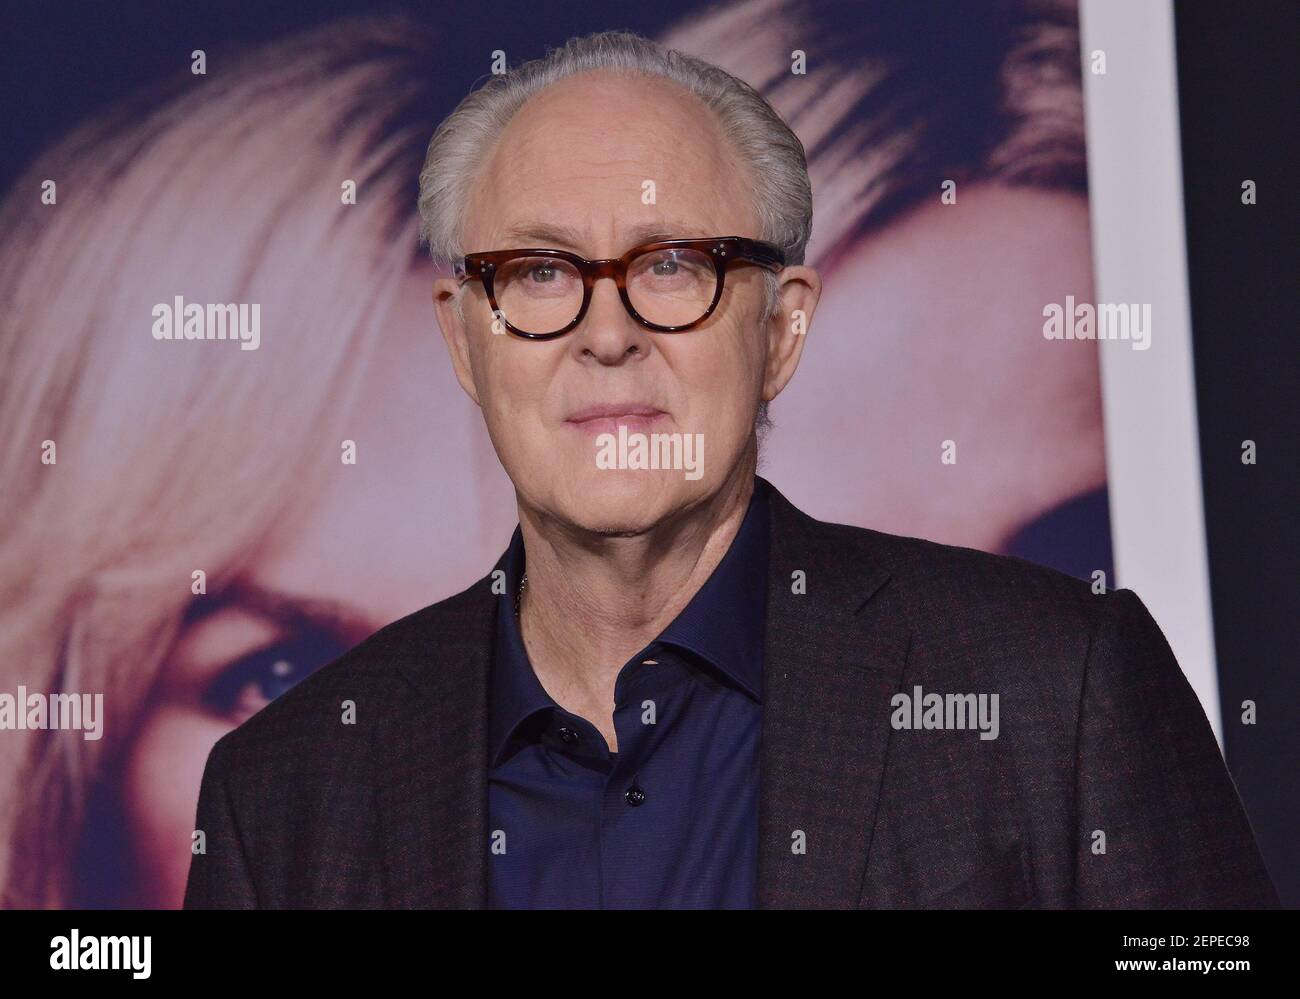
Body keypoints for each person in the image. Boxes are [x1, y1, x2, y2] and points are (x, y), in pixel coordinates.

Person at [182, 29, 1276, 909]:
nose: (605, 334)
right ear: (465, 339)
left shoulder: (1062, 690)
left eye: (671, 264)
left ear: (782, 329)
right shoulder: (283, 790)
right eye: (539, 271)